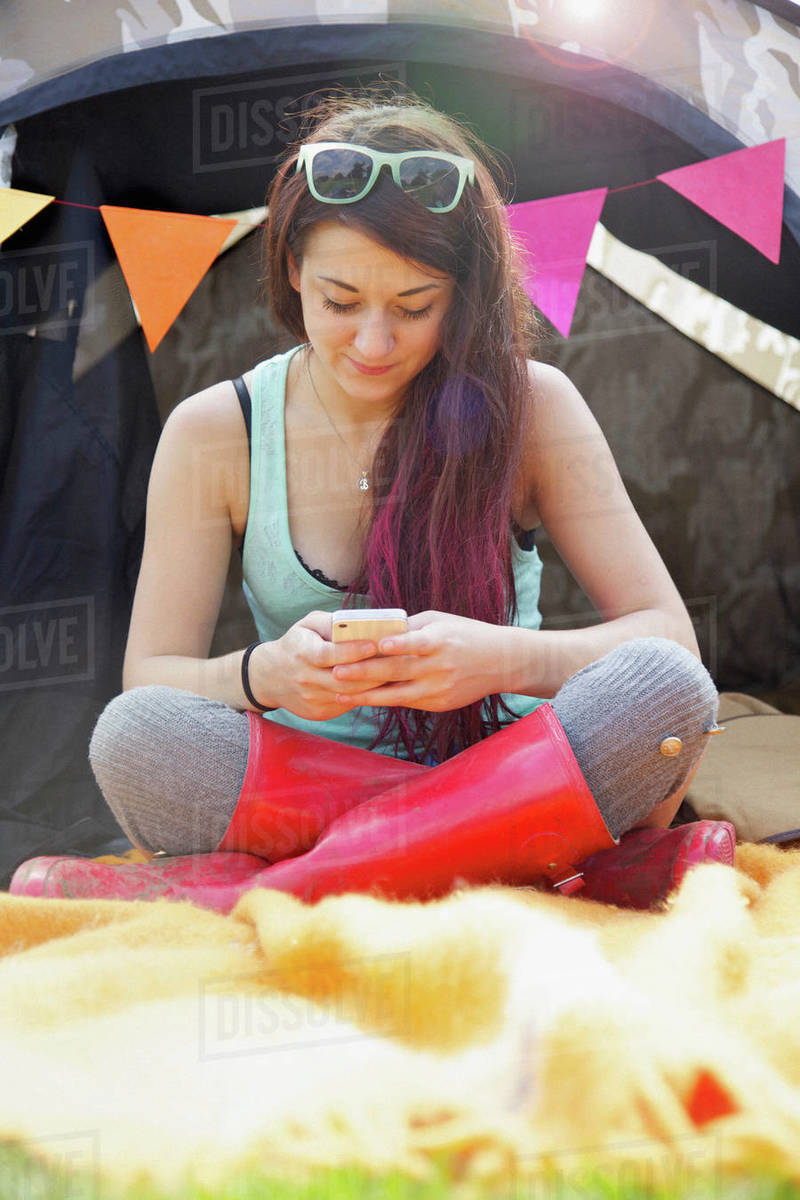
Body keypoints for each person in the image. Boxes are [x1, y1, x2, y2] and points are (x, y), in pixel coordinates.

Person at [10, 92, 730, 910]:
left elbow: (666, 635)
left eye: (415, 307)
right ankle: (545, 864)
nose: (374, 343)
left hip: (516, 763)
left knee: (668, 689)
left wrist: (500, 659)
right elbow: (153, 678)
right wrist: (266, 676)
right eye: (340, 301)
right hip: (331, 789)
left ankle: (261, 891)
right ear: (291, 271)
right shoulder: (217, 431)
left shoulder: (533, 407)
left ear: (462, 292)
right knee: (134, 739)